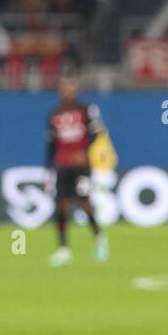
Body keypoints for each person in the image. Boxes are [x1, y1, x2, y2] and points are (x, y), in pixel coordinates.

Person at [46, 76, 110, 265]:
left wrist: (84, 151)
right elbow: (51, 144)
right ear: (59, 91)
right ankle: (63, 249)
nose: (67, 90)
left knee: (84, 203)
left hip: (81, 167)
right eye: (64, 87)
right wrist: (48, 169)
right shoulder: (54, 114)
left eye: (70, 86)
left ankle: (100, 239)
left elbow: (98, 132)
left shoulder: (86, 110)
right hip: (62, 165)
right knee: (61, 205)